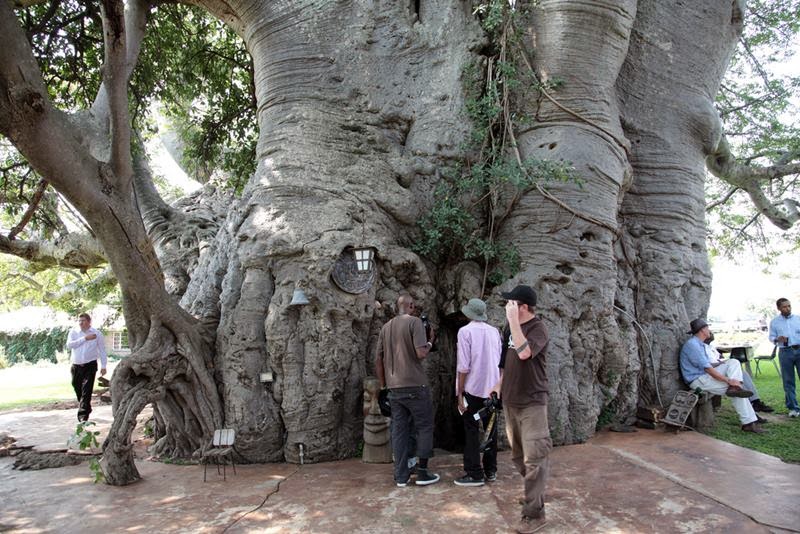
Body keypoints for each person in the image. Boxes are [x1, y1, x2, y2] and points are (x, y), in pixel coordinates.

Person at [492, 285, 551, 534]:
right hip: (511, 401)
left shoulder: (538, 328)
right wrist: (497, 385)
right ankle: (534, 495)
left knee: (534, 457)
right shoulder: (509, 328)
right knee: (518, 456)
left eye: (512, 303)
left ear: (523, 307)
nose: (507, 307)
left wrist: (514, 322)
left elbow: (525, 353)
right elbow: (505, 363)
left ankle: (535, 514)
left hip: (532, 403)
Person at [375, 294, 440, 487]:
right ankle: (422, 473)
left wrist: (383, 384)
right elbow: (421, 353)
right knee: (425, 427)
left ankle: (400, 476)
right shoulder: (415, 322)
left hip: (394, 388)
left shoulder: (386, 327)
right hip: (416, 386)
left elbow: (378, 359)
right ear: (411, 306)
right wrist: (430, 341)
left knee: (399, 430)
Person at [679, 318, 764, 433]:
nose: (709, 330)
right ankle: (749, 422)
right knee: (736, 390)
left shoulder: (699, 344)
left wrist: (722, 364)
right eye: (707, 328)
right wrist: (728, 380)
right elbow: (708, 369)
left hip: (704, 377)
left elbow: (708, 365)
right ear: (702, 330)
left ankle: (748, 418)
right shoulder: (693, 345)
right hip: (698, 380)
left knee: (733, 362)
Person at [454, 298, 502, 487]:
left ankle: (474, 473)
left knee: (471, 430)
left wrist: (459, 394)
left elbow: (463, 366)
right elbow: (499, 361)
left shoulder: (465, 332)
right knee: (490, 431)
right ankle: (490, 470)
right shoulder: (494, 332)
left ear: (468, 314)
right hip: (492, 390)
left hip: (472, 389)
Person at [703, 335, 773, 419]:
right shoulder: (702, 348)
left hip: (722, 368)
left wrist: (722, 360)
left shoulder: (711, 347)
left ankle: (755, 401)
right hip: (714, 373)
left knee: (742, 375)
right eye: (709, 332)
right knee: (737, 386)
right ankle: (752, 412)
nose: (711, 334)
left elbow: (719, 357)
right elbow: (707, 365)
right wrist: (721, 363)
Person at [66, 313, 107, 422]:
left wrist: (104, 366)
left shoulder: (97, 334)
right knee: (76, 386)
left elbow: (102, 350)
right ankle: (86, 407)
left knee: (87, 390)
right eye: (79, 321)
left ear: (89, 322)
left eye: (83, 320)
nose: (80, 323)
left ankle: (83, 416)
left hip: (90, 365)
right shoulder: (74, 332)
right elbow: (70, 345)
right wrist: (85, 338)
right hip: (76, 365)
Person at [768, 298, 800, 417]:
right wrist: (778, 339)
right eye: (785, 307)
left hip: (799, 349)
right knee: (788, 381)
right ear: (779, 308)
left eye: (789, 306)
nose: (788, 308)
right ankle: (793, 408)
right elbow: (771, 337)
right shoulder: (775, 322)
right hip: (785, 352)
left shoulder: (798, 319)